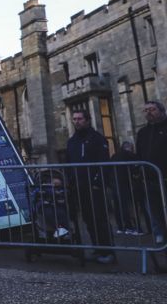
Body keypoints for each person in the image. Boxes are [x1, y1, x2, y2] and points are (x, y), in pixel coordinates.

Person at [66, 109, 116, 264]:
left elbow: (103, 163)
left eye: (80, 119)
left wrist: (97, 182)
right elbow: (68, 163)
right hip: (79, 187)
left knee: (100, 218)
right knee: (88, 219)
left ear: (87, 120)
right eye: (74, 119)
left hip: (94, 186)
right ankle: (97, 248)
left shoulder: (97, 138)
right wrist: (69, 180)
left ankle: (108, 251)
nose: (77, 122)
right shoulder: (72, 141)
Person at [136, 100, 167, 245]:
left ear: (161, 110)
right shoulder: (143, 133)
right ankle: (161, 242)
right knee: (156, 213)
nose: (149, 112)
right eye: (146, 110)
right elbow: (140, 155)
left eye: (152, 109)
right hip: (150, 180)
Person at [108, 141, 140, 235]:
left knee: (118, 205)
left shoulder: (114, 155)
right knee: (126, 205)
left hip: (114, 183)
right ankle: (129, 226)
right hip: (123, 183)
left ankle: (121, 227)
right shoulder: (129, 154)